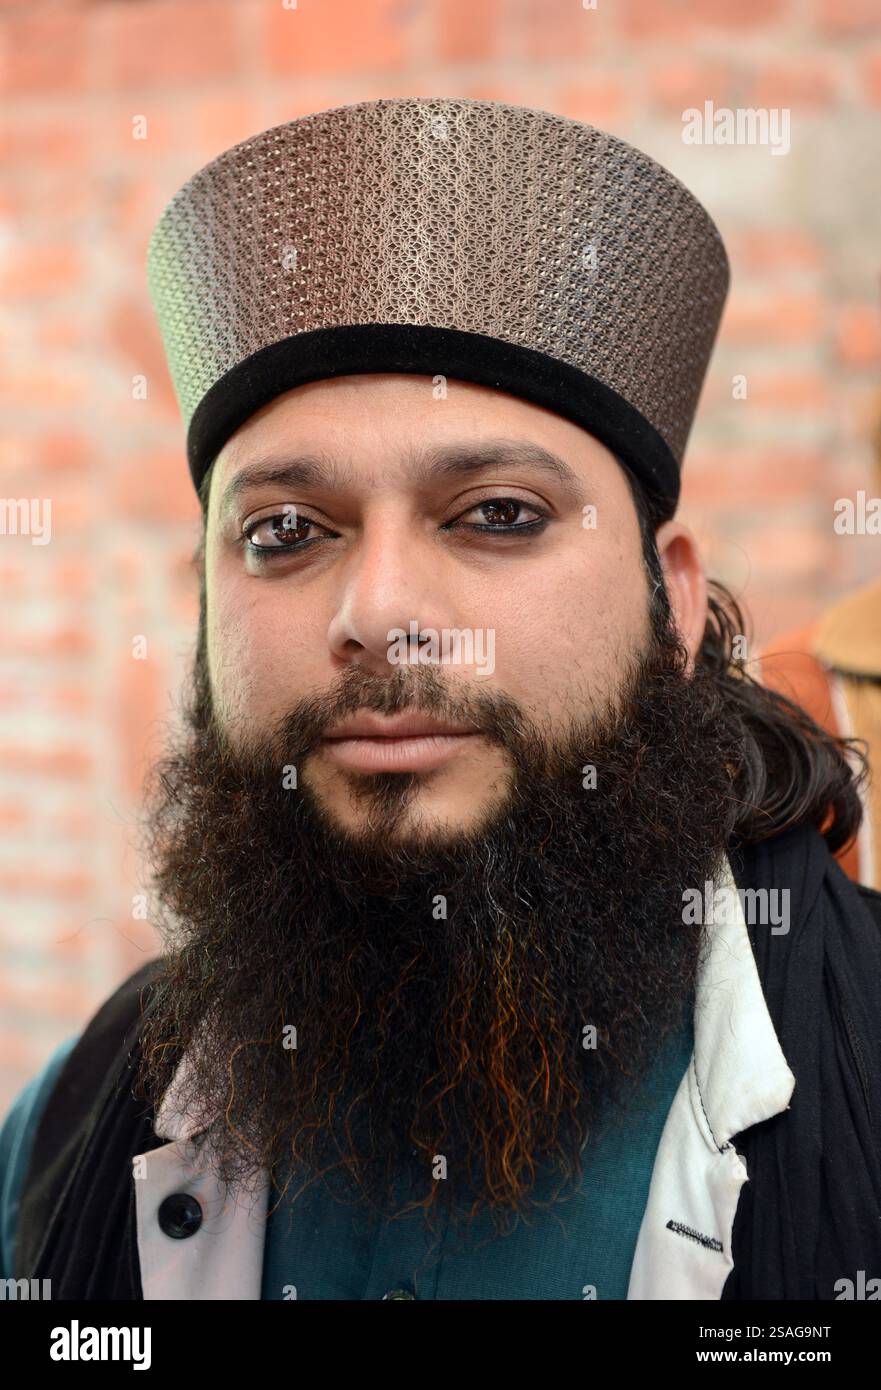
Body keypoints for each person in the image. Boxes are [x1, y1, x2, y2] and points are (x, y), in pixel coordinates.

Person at [3, 97, 881, 1302]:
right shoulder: (75, 1118)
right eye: (285, 532)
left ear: (671, 606)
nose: (376, 611)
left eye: (497, 515)